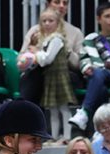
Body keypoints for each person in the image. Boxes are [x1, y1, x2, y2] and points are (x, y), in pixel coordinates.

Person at [70, 2, 110, 131]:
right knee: (100, 86)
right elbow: (84, 59)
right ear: (98, 19)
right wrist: (86, 68)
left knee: (100, 73)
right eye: (107, 16)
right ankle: (99, 129)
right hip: (95, 78)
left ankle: (84, 112)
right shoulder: (90, 38)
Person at [23, 8, 77, 142]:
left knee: (63, 108)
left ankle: (67, 137)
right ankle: (53, 137)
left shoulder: (57, 39)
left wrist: (35, 54)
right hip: (50, 77)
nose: (47, 24)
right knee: (52, 109)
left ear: (58, 23)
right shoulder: (46, 39)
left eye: (50, 21)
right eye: (44, 21)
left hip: (59, 77)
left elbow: (48, 59)